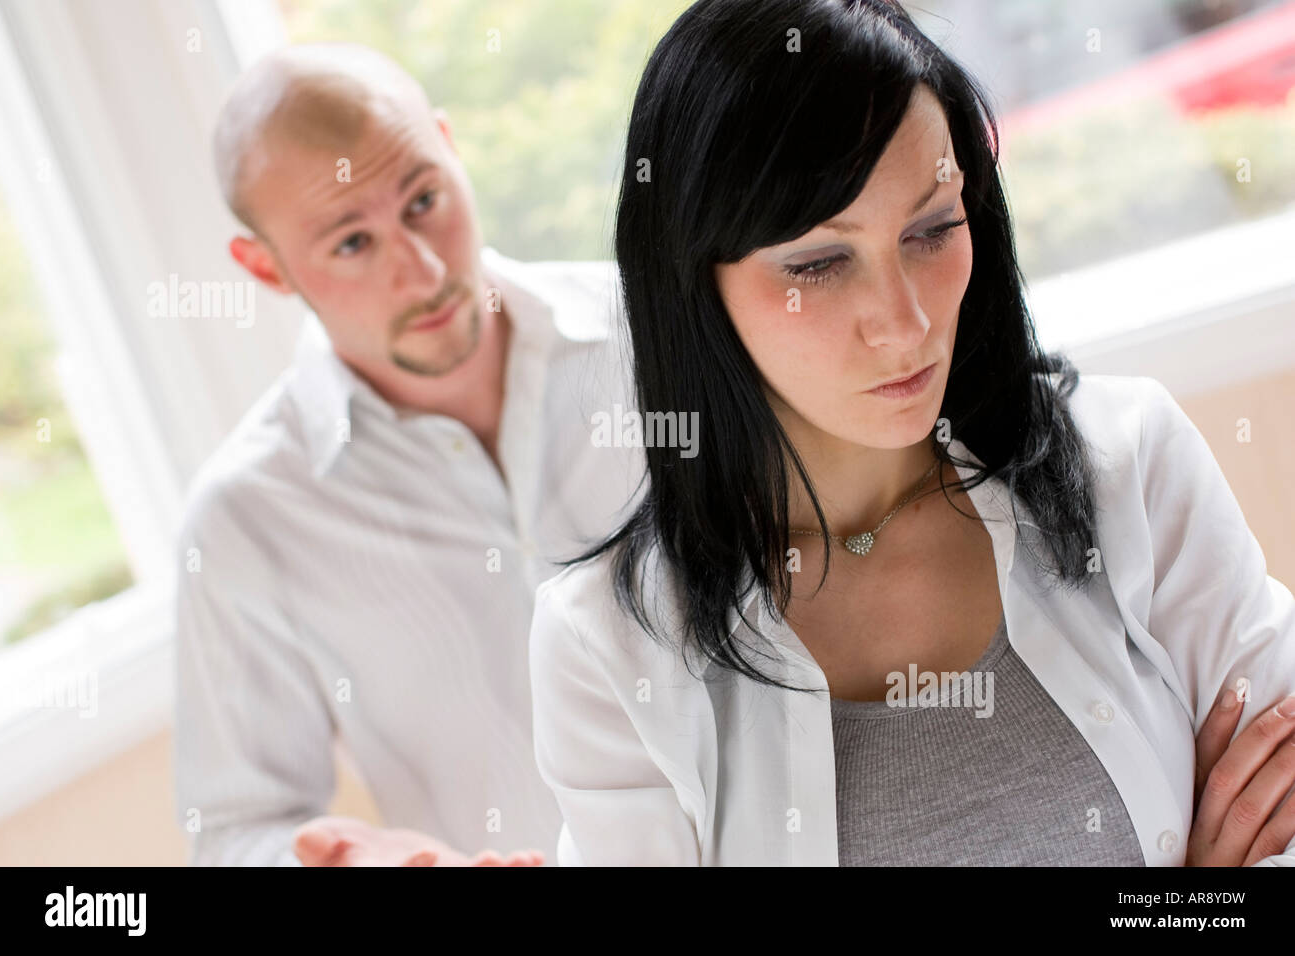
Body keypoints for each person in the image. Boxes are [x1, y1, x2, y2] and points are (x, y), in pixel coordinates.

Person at [528, 0, 1295, 866]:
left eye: (933, 230)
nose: (905, 322)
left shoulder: (1130, 462)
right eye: (819, 263)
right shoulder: (608, 646)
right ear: (694, 282)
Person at [173, 42, 641, 866]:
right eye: (352, 243)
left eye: (424, 199)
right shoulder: (245, 521)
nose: (422, 270)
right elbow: (234, 831)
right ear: (265, 267)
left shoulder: (659, 338)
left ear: (450, 145)